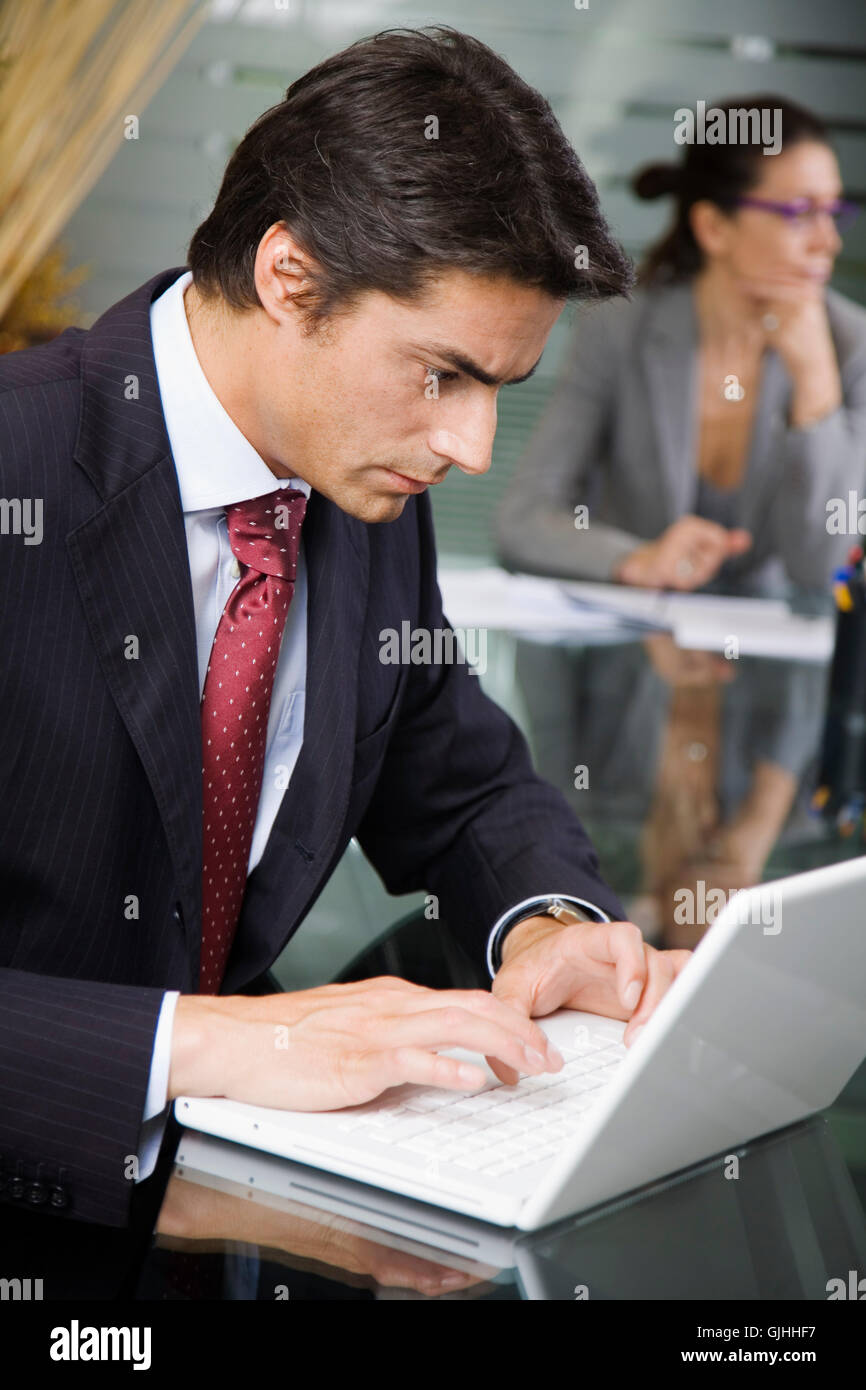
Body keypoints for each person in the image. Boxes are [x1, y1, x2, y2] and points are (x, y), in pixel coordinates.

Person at [0, 26, 690, 1229]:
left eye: (499, 394)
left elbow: (457, 779)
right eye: (443, 375)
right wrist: (198, 1043)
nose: (471, 449)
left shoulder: (356, 481)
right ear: (289, 277)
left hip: (220, 1207)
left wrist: (549, 924)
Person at [496, 94, 866, 594]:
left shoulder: (853, 347)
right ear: (714, 227)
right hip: (638, 656)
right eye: (801, 213)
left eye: (833, 212)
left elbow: (825, 572)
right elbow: (523, 522)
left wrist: (816, 384)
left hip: (778, 669)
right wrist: (639, 561)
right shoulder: (620, 329)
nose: (829, 242)